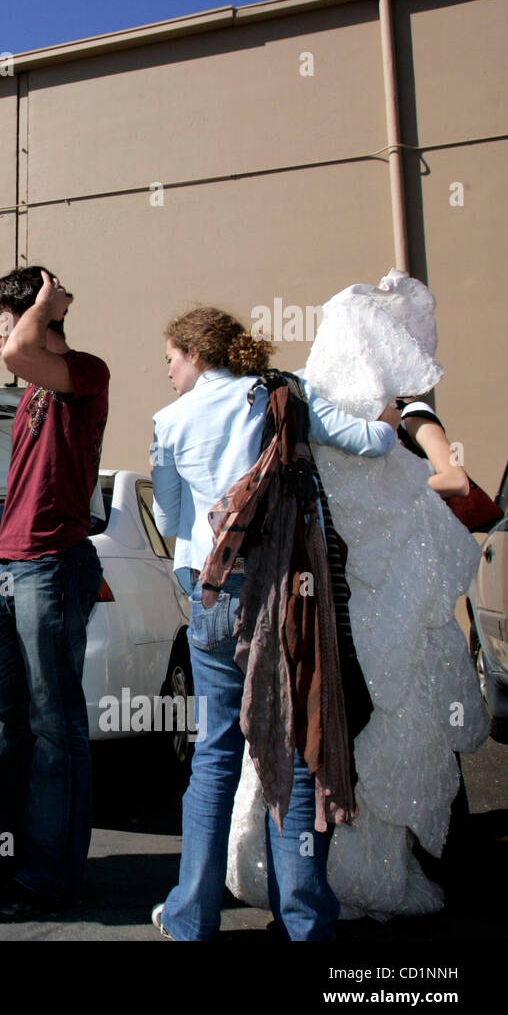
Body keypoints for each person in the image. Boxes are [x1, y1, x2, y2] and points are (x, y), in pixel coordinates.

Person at [225, 270, 489, 920]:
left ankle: (308, 887)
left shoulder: (310, 418)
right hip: (374, 615)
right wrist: (415, 494)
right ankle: (361, 879)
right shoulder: (397, 425)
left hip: (318, 612)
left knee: (313, 738)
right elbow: (452, 486)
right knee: (365, 742)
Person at [148, 306, 397, 941]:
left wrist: (194, 584)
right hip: (288, 598)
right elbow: (373, 441)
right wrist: (398, 413)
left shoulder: (169, 423)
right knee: (296, 754)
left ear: (196, 354)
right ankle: (306, 923)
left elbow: (175, 525)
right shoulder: (287, 393)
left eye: (171, 358)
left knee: (214, 758)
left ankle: (190, 917)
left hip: (214, 598)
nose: (168, 371)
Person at [0, 266, 109, 922]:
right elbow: (20, 353)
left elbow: (22, 348)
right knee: (16, 726)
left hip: (52, 564)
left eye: (1, 314)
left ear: (39, 316)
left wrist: (45, 305)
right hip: (11, 567)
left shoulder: (86, 372)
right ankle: (13, 856)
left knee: (55, 730)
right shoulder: (31, 394)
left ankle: (49, 880)